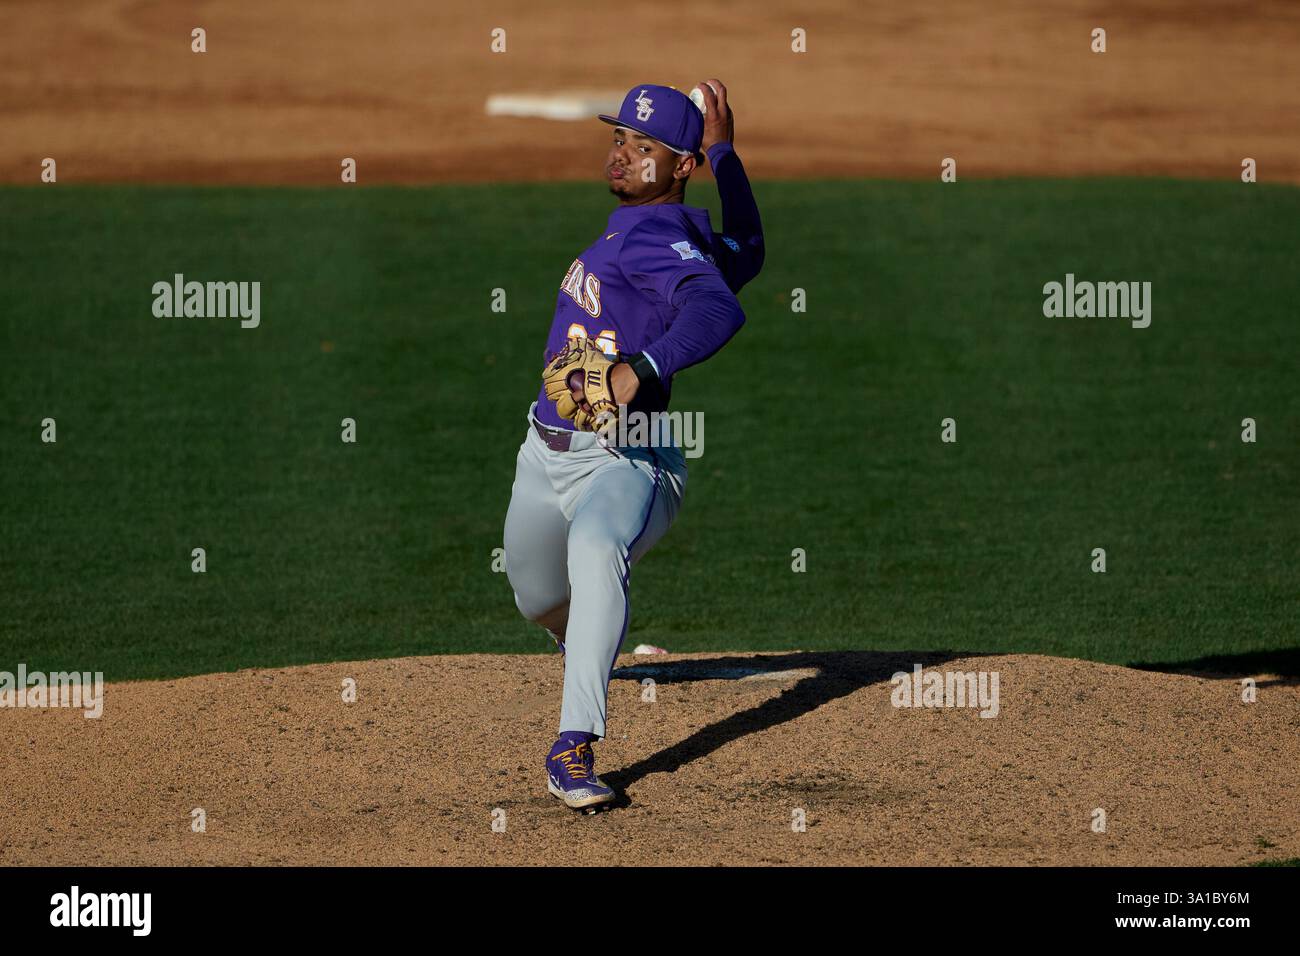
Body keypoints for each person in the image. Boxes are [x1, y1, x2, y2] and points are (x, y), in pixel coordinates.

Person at [502, 80, 765, 811]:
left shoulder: (658, 239)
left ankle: (573, 744)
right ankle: (582, 634)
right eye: (620, 138)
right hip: (545, 452)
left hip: (631, 454)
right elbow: (749, 247)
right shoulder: (667, 231)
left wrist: (638, 371)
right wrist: (726, 153)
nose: (623, 153)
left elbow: (719, 306)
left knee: (594, 554)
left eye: (644, 147)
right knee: (535, 597)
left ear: (677, 166)